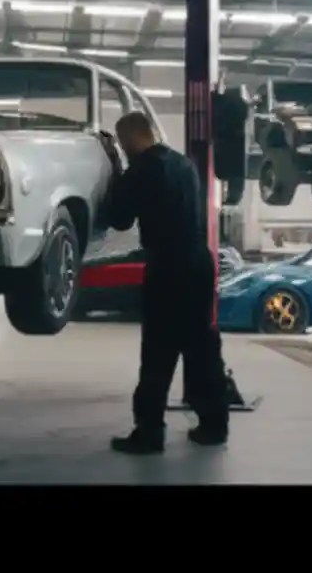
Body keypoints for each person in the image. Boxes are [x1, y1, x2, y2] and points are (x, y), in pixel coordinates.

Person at [101, 111, 231, 454]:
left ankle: (149, 432)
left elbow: (118, 218)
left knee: (158, 350)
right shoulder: (183, 164)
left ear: (129, 138)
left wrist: (116, 178)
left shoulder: (141, 169)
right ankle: (214, 425)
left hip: (168, 265)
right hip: (200, 262)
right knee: (202, 345)